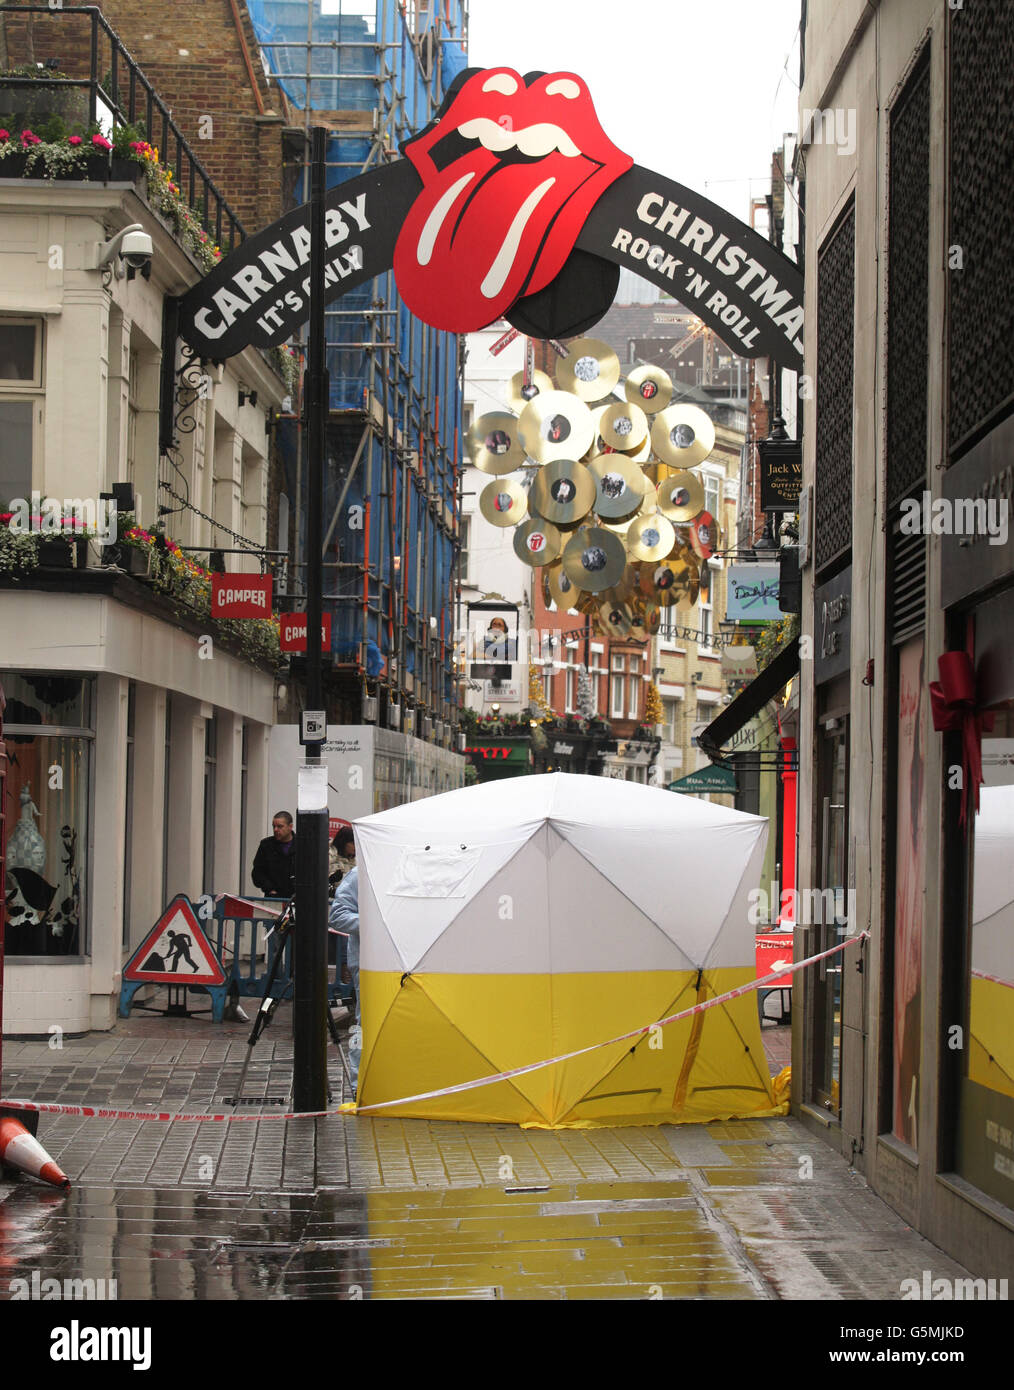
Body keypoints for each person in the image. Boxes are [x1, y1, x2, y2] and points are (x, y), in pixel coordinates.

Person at [329, 865, 361, 1091]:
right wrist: (374, 922)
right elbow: (338, 915)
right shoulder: (361, 874)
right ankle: (359, 1087)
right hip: (370, 964)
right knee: (366, 1024)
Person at [251, 811, 297, 897]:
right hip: (274, 898)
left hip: (297, 899)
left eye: (280, 826)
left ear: (290, 826)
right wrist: (269, 888)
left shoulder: (303, 845)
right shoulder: (266, 845)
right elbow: (257, 872)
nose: (275, 830)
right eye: (274, 826)